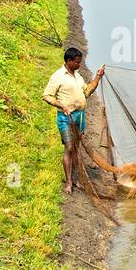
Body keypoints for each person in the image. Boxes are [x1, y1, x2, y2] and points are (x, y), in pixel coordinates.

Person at [42, 47, 105, 194]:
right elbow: (47, 96)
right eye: (77, 62)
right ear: (69, 61)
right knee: (69, 147)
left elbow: (87, 92)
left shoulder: (77, 76)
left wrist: (98, 77)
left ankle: (77, 178)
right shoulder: (58, 76)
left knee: (77, 148)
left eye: (80, 62)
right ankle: (69, 182)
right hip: (65, 118)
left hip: (79, 117)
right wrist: (62, 105)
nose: (79, 65)